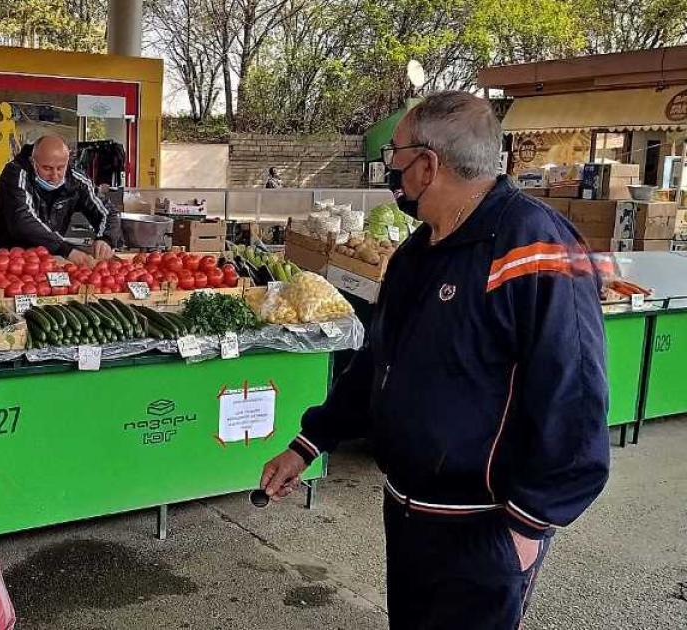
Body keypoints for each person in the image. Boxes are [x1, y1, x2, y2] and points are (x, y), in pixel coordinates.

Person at [260, 91, 609, 630]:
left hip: (484, 529)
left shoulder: (533, 248)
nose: (389, 170)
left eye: (393, 155)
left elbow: (575, 396)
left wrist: (527, 528)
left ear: (427, 165)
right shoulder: (415, 254)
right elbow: (380, 362)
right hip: (407, 511)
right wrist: (309, 444)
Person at [0, 135, 121, 267]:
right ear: (33, 162)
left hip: (43, 262)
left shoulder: (77, 180)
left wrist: (106, 238)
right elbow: (22, 219)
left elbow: (108, 212)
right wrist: (65, 249)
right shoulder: (15, 174)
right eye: (47, 168)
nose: (55, 175)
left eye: (60, 168)